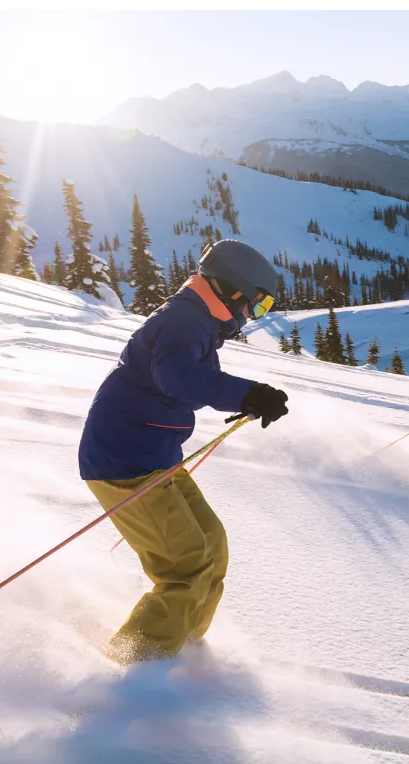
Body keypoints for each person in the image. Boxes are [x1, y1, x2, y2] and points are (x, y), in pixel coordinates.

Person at [79, 239, 289, 665]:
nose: (252, 316)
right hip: (123, 462)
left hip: (151, 457)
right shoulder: (183, 323)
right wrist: (248, 393)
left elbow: (181, 380)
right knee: (186, 566)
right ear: (231, 290)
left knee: (211, 543)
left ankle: (184, 645)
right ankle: (135, 665)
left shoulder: (196, 323)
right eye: (257, 305)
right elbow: (178, 377)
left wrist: (247, 397)